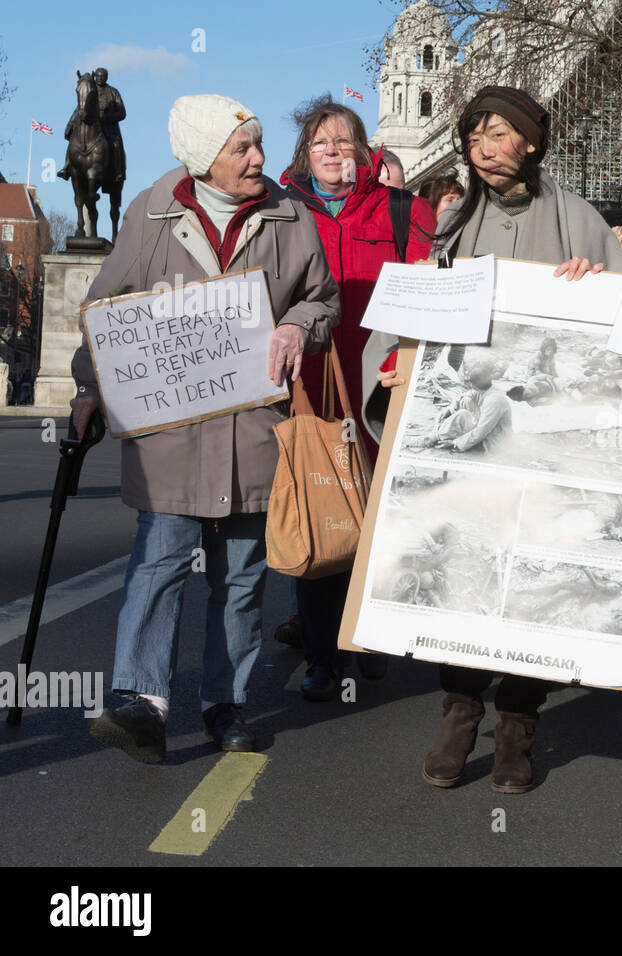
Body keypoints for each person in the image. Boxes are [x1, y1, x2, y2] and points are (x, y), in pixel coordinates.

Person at [71, 94, 340, 762]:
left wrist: (295, 325)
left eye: (257, 143)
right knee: (158, 565)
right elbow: (104, 310)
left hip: (253, 429)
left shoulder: (289, 215)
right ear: (202, 158)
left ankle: (227, 703)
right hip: (171, 436)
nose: (259, 158)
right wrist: (87, 388)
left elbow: (323, 299)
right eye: (241, 148)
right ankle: (142, 702)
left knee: (242, 578)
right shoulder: (151, 214)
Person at [377, 85, 622, 794]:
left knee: (539, 576)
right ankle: (459, 713)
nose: (486, 149)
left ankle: (518, 724)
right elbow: (420, 333)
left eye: (500, 135)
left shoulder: (579, 219)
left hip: (551, 445)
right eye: (476, 136)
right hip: (471, 442)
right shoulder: (453, 225)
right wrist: (404, 363)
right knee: (464, 566)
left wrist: (598, 283)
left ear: (531, 142)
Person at [278, 94, 436, 701]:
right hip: (312, 390)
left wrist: (404, 363)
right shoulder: (283, 212)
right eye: (321, 143)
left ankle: (370, 638)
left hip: (382, 391)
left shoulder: (405, 211)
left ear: (363, 149)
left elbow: (434, 292)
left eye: (343, 140)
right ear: (306, 154)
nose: (333, 151)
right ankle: (323, 656)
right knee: (324, 520)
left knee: (383, 523)